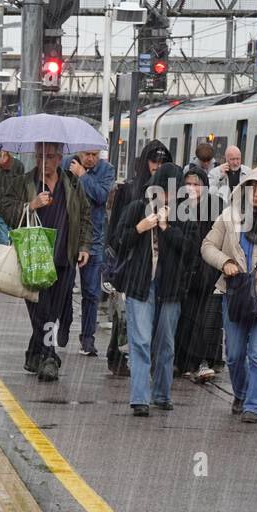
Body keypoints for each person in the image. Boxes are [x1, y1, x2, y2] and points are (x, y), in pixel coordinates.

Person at [0, 141, 93, 382]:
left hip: (64, 257)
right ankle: (49, 356)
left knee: (54, 311)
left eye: (49, 157)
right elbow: (6, 210)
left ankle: (34, 352)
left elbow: (84, 215)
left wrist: (83, 246)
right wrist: (31, 205)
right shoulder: (24, 182)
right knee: (42, 312)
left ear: (59, 158)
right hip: (33, 259)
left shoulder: (72, 183)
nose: (44, 162)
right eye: (39, 156)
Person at [201, 167, 257, 423]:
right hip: (235, 294)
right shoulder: (229, 218)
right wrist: (225, 261)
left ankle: (254, 405)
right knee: (235, 354)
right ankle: (241, 393)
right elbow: (207, 246)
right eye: (252, 189)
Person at [111, 163, 193, 415]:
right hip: (140, 285)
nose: (166, 196)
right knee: (141, 341)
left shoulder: (185, 214)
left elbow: (190, 249)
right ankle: (140, 399)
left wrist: (167, 229)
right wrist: (140, 228)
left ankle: (162, 394)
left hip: (170, 287)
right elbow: (117, 242)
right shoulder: (137, 208)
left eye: (171, 191)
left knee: (166, 344)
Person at [106, 139, 171, 375]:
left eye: (163, 161)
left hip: (160, 270)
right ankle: (119, 355)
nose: (157, 165)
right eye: (154, 160)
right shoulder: (129, 190)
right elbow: (115, 233)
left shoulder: (174, 193)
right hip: (131, 264)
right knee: (125, 318)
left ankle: (143, 365)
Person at [59, 149, 115, 356]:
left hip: (93, 238)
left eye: (94, 154)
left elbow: (101, 196)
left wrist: (82, 175)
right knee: (64, 287)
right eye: (86, 154)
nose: (90, 159)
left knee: (91, 292)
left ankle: (87, 337)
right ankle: (65, 321)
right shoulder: (66, 164)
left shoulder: (106, 170)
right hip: (68, 236)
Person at [173, 166, 226, 382]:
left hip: (207, 270)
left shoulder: (216, 205)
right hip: (181, 270)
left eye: (197, 184)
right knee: (184, 317)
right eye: (189, 184)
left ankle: (201, 360)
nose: (192, 188)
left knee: (204, 318)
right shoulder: (176, 206)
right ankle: (184, 360)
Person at [0, 147, 26, 250]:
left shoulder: (18, 166)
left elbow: (22, 188)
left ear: (3, 149)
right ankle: (4, 263)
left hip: (14, 210)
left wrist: (23, 207)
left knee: (14, 240)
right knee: (3, 241)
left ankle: (10, 263)